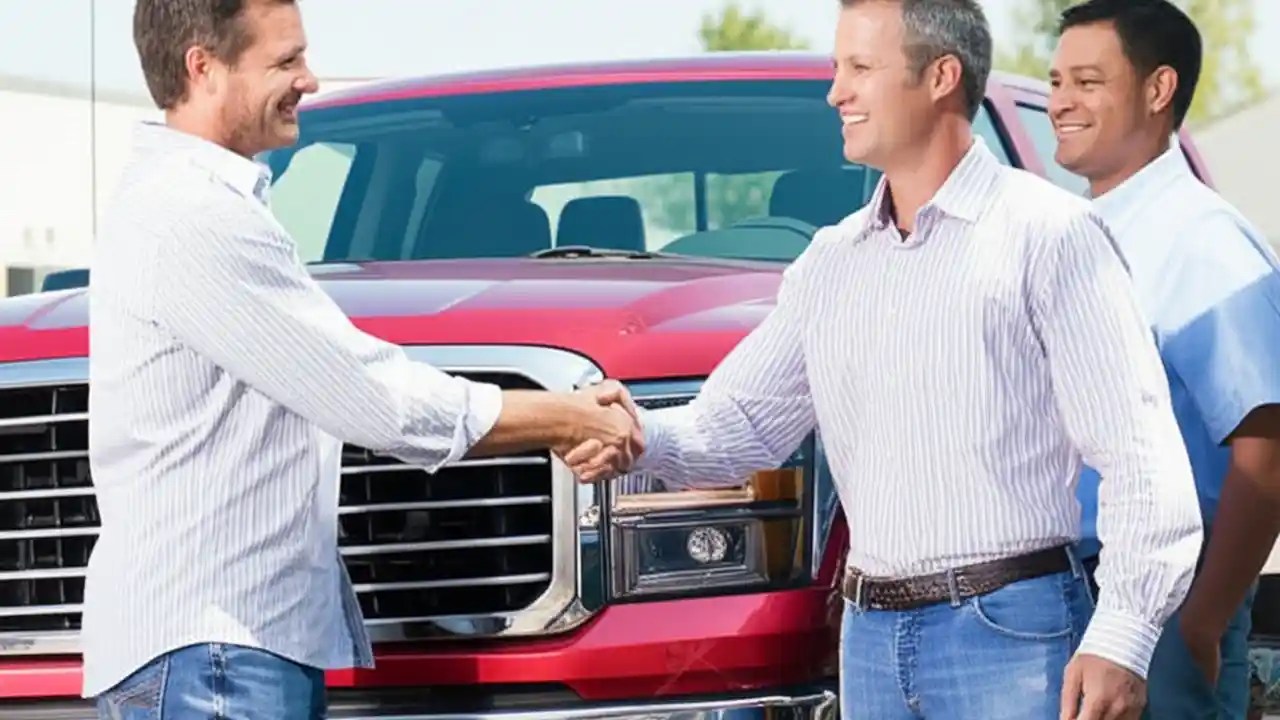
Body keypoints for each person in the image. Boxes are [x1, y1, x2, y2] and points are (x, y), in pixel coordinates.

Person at [569, 0, 1204, 717]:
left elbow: (1139, 454)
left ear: (940, 76)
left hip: (1010, 638)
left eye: (860, 68)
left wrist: (1123, 633)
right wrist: (637, 435)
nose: (836, 91)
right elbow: (740, 424)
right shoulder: (830, 263)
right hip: (868, 639)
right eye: (840, 69)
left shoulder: (1048, 235)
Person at [83, 1, 640, 717]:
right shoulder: (198, 216)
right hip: (215, 655)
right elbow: (371, 398)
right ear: (204, 66)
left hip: (227, 646)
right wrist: (564, 417)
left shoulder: (186, 204)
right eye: (285, 61)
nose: (309, 81)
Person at [1050, 1, 1280, 717]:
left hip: (1162, 614)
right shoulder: (1081, 234)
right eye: (1056, 81)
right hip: (1069, 600)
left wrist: (1202, 620)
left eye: (1087, 82)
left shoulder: (1200, 240)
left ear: (1158, 90)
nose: (1060, 103)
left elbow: (1267, 446)